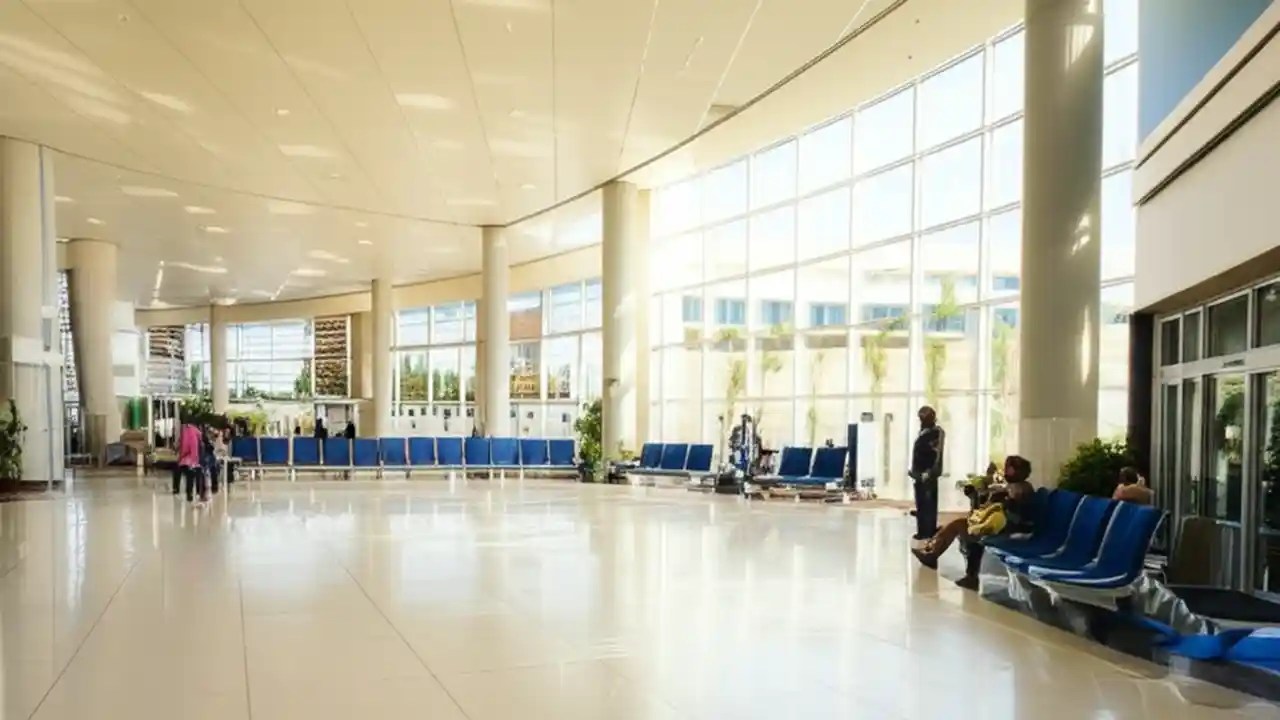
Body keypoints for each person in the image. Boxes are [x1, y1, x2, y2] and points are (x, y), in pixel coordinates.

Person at [911, 455, 1035, 590]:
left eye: (1008, 468)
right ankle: (933, 551)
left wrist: (1003, 497)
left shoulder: (1020, 488)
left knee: (961, 527)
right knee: (960, 525)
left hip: (1005, 529)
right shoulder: (1016, 486)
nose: (1005, 471)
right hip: (1001, 526)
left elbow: (1014, 507)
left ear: (1017, 471)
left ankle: (935, 555)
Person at [909, 406, 945, 540]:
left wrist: (929, 472)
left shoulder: (936, 433)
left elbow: (935, 454)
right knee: (921, 503)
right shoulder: (924, 432)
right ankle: (922, 530)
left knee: (928, 502)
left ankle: (928, 531)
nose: (921, 420)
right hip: (919, 474)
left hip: (927, 474)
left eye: (923, 417)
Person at [176, 421, 204, 502]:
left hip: (189, 461)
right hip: (196, 461)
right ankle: (199, 493)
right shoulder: (197, 432)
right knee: (198, 477)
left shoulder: (187, 431)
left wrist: (181, 458)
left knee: (189, 478)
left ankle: (189, 495)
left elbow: (185, 447)